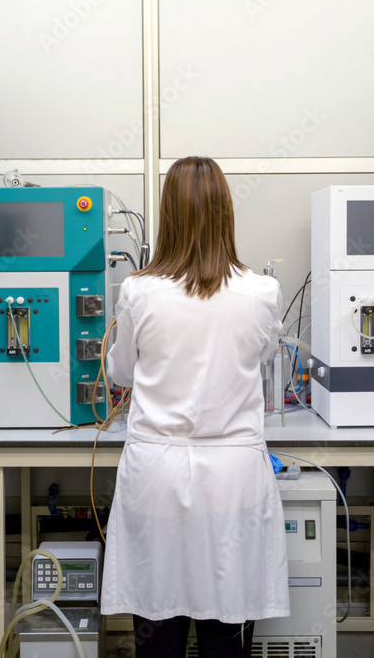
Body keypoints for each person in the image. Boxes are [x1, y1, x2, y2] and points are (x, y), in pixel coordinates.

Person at [100, 156, 289, 657]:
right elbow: (263, 359)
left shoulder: (138, 291)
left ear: (169, 215)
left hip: (157, 476)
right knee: (226, 632)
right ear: (226, 212)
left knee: (157, 631)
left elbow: (121, 374)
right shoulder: (261, 291)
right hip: (232, 480)